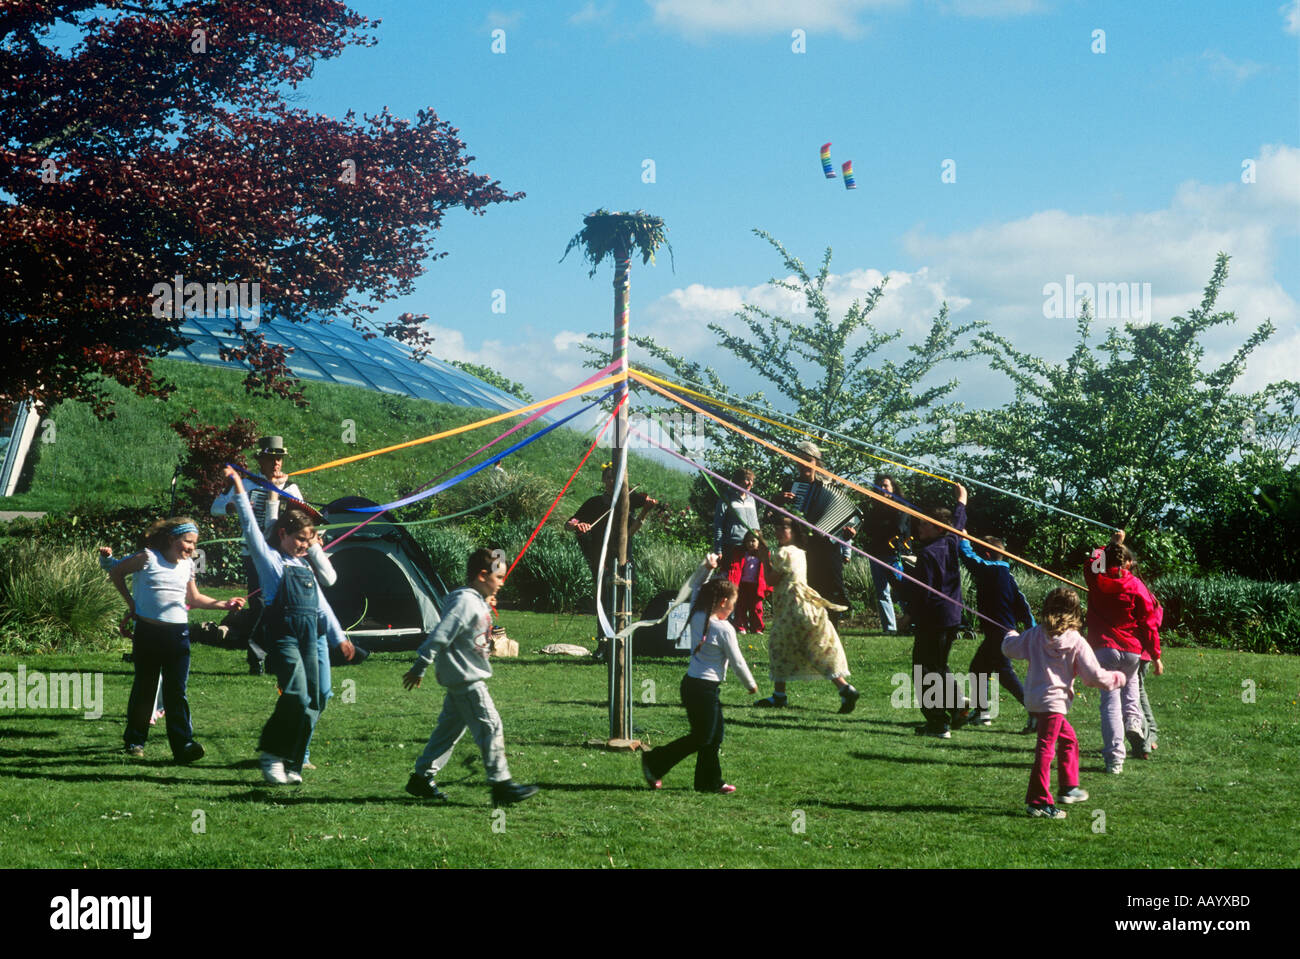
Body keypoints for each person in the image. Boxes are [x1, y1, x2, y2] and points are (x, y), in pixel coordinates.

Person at [402, 548, 539, 806]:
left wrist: (483, 606)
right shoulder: (463, 602)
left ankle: (421, 777)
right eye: (498, 578)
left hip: (462, 679)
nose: (501, 584)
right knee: (491, 725)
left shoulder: (474, 601)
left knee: (449, 731)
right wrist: (420, 666)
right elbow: (441, 635)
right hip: (466, 679)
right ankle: (501, 784)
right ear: (482, 575)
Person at [223, 465, 333, 785]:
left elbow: (324, 600)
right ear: (283, 534)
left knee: (319, 696)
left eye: (308, 541)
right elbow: (249, 526)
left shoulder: (306, 564)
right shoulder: (268, 558)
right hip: (283, 636)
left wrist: (339, 637)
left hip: (311, 636)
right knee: (297, 693)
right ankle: (272, 755)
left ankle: (295, 761)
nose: (303, 545)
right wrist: (240, 488)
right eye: (300, 539)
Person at [101, 520, 245, 762]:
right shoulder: (147, 558)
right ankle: (135, 740)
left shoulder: (188, 565)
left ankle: (184, 745)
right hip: (148, 633)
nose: (191, 547)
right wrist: (132, 603)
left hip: (177, 636)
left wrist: (225, 604)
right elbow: (116, 572)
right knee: (145, 688)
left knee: (176, 691)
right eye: (187, 541)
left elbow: (195, 598)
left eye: (195, 543)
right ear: (171, 539)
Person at [1003, 588, 1128, 819]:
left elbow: (1010, 649)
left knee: (1068, 739)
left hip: (1036, 700)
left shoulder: (1034, 634)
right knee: (1046, 748)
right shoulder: (1076, 641)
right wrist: (1117, 678)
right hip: (1054, 703)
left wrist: (1010, 635)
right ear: (1075, 612)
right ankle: (1039, 801)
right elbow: (1093, 677)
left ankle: (1068, 788)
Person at [641, 557, 758, 794]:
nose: (734, 608)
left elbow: (696, 587)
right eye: (733, 604)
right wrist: (751, 684)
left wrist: (706, 568)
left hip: (695, 686)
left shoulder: (698, 613)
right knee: (702, 737)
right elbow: (737, 661)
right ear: (724, 602)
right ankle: (655, 761)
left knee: (713, 736)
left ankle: (709, 782)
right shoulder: (723, 628)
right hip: (703, 689)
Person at [211, 436, 303, 675]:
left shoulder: (290, 487)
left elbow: (301, 519)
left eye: (279, 459)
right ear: (260, 461)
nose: (276, 464)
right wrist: (232, 507)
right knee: (261, 604)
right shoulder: (248, 485)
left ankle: (274, 656)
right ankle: (257, 657)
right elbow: (215, 507)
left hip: (282, 556)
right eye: (271, 459)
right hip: (252, 554)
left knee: (282, 606)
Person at [753, 516, 859, 713]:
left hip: (791, 609)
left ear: (794, 530)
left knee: (779, 647)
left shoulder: (783, 553)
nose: (778, 530)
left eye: (783, 527)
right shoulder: (800, 552)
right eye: (777, 526)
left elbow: (770, 579)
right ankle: (844, 688)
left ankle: (780, 696)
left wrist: (763, 558)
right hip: (808, 607)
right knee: (813, 649)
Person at [1083, 529, 1164, 773]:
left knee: (1110, 704)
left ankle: (1115, 759)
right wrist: (1156, 656)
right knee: (1131, 698)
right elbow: (1150, 623)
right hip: (1131, 651)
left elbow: (1091, 563)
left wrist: (1109, 545)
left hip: (1105, 648)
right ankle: (1135, 727)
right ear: (1127, 563)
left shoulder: (1097, 580)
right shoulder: (1136, 585)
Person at [565, 464, 660, 660]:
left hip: (625, 557)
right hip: (602, 557)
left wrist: (645, 511)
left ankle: (622, 646)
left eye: (616, 478)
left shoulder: (627, 501)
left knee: (624, 601)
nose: (612, 481)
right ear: (603, 480)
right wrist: (577, 525)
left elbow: (630, 533)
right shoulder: (594, 503)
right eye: (608, 477)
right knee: (604, 602)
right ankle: (603, 645)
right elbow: (569, 523)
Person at [900, 483, 969, 738]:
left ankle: (938, 723)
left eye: (925, 524)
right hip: (952, 617)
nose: (920, 528)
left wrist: (908, 617)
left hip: (933, 619)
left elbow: (924, 592)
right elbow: (959, 520)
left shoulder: (928, 554)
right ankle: (957, 704)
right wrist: (962, 498)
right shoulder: (951, 541)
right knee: (938, 665)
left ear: (938, 527)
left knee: (924, 671)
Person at [957, 532, 1035, 731]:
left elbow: (970, 559)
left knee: (1005, 674)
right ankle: (982, 712)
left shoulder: (992, 570)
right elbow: (1022, 603)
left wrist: (963, 540)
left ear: (988, 555)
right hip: (1000, 632)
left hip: (999, 633)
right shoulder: (1006, 575)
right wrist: (1031, 627)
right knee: (978, 669)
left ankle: (1037, 712)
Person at [778, 441, 855, 627]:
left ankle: (831, 635)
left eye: (808, 460)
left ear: (816, 463)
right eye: (800, 460)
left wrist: (850, 532)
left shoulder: (831, 486)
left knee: (831, 592)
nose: (804, 464)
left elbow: (848, 516)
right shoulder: (790, 485)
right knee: (805, 593)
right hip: (801, 549)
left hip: (828, 550)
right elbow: (773, 518)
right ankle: (808, 634)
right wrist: (778, 501)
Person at [863, 475, 910, 635]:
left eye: (886, 486)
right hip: (876, 554)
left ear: (893, 488)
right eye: (880, 486)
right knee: (882, 592)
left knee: (901, 591)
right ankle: (889, 628)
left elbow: (898, 528)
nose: (883, 489)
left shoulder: (901, 506)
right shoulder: (874, 509)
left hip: (895, 554)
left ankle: (911, 623)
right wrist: (883, 529)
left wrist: (881, 530)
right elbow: (868, 529)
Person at [713, 467, 760, 568]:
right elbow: (718, 525)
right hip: (733, 546)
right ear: (738, 481)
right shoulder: (726, 498)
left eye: (752, 480)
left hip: (751, 547)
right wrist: (718, 550)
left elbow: (756, 523)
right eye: (747, 479)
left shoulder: (751, 500)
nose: (750, 483)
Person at [726, 530, 771, 633]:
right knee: (741, 607)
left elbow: (767, 571)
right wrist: (732, 584)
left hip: (757, 586)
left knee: (757, 608)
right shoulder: (741, 554)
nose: (750, 543)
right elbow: (735, 568)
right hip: (743, 585)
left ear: (759, 541)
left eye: (753, 541)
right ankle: (741, 626)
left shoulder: (762, 555)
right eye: (748, 541)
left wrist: (768, 587)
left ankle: (757, 628)